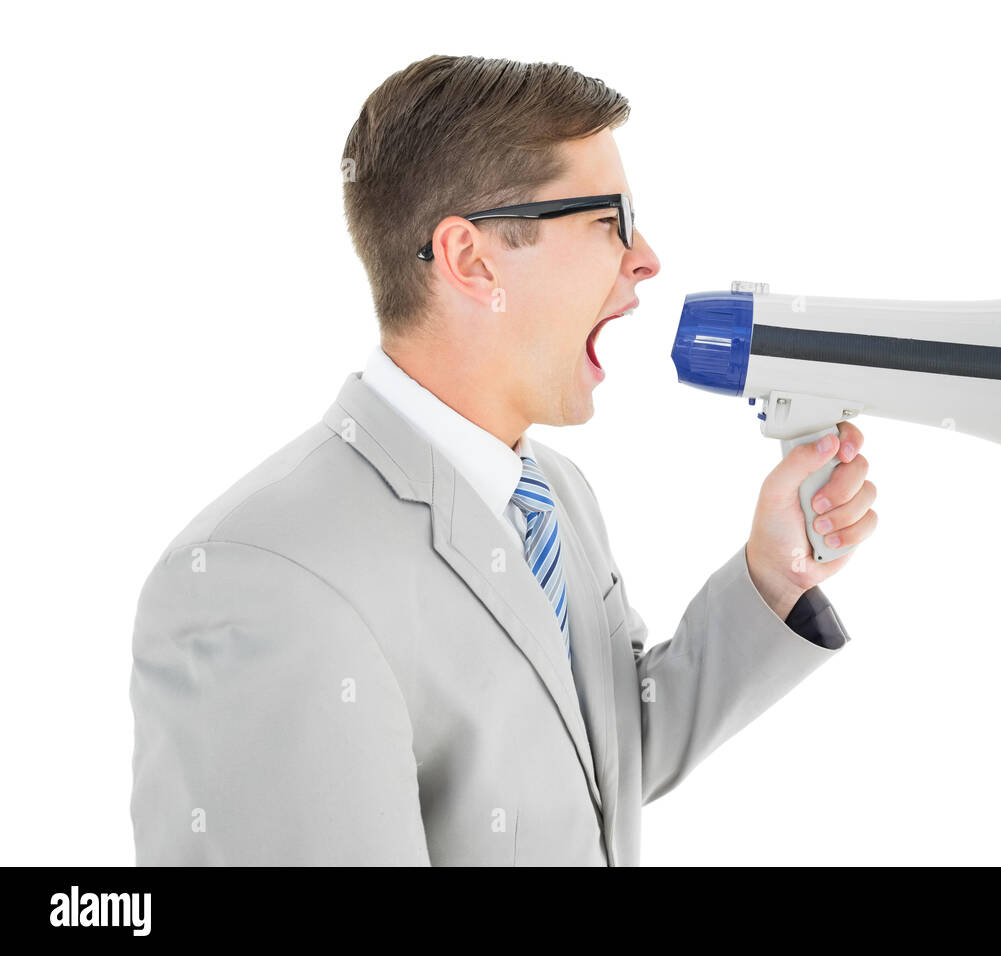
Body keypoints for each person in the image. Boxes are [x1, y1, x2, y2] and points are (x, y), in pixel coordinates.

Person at [129, 54, 879, 866]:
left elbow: (598, 764)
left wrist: (772, 577)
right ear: (472, 260)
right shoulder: (263, 578)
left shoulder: (549, 495)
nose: (647, 258)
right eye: (609, 222)